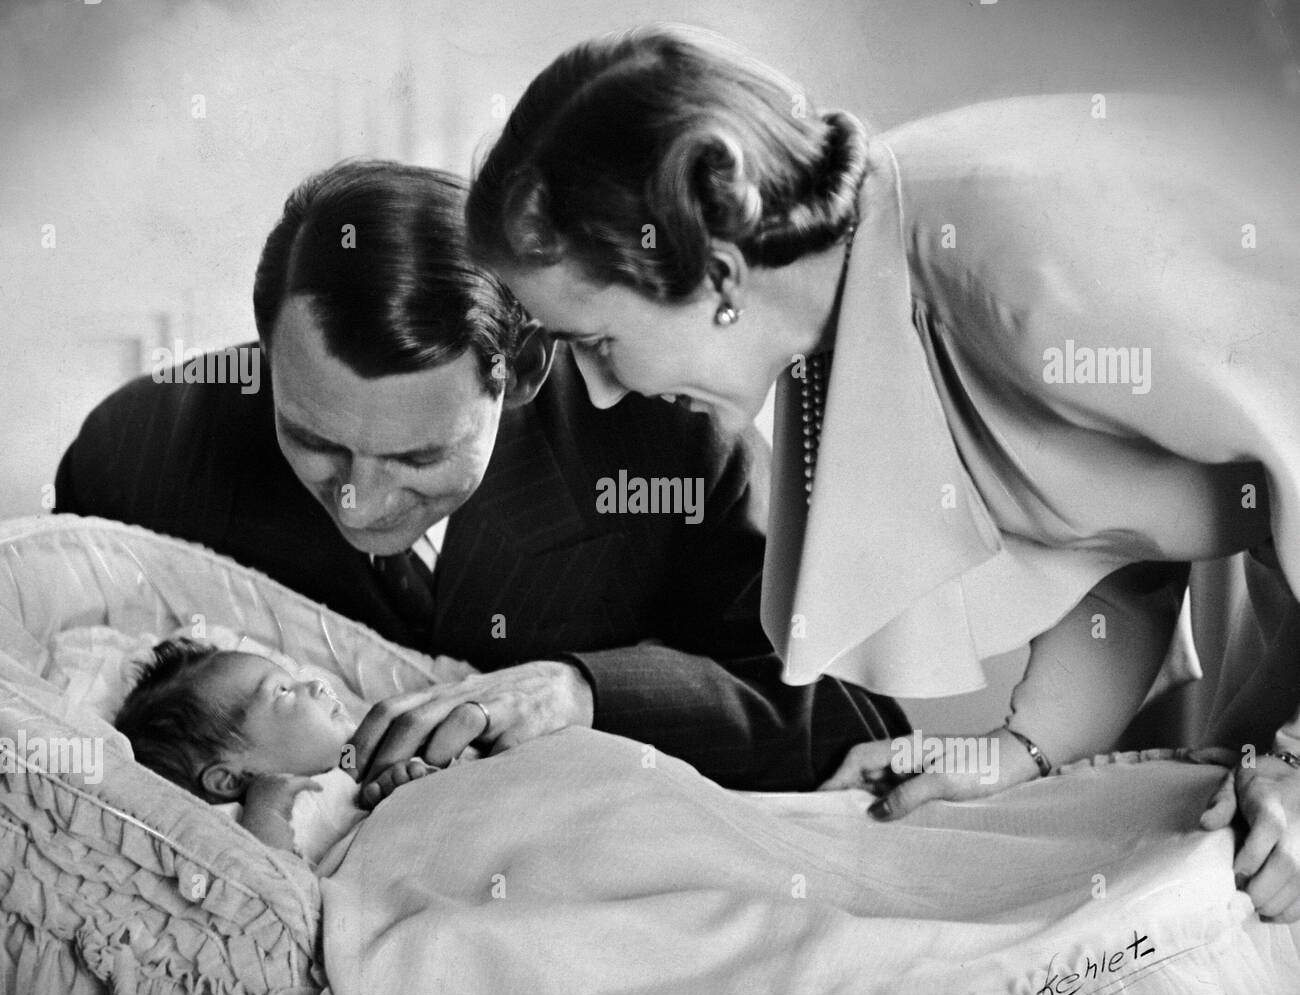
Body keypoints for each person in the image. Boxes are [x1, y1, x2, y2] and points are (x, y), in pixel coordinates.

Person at [465, 27, 1300, 920]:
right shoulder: (876, 303)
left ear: (715, 273)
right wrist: (1020, 749)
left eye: (597, 341)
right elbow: (1124, 529)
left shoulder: (1007, 259)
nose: (597, 391)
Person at [56, 159, 908, 793]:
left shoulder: (679, 445)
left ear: (525, 370)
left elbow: (856, 718)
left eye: (419, 457)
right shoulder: (144, 451)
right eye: (312, 438)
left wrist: (584, 691)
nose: (362, 499)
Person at [114, 639, 432, 852]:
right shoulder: (244, 823)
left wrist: (403, 789)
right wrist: (267, 816)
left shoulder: (354, 763)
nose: (317, 684)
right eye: (282, 692)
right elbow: (274, 894)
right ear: (231, 779)